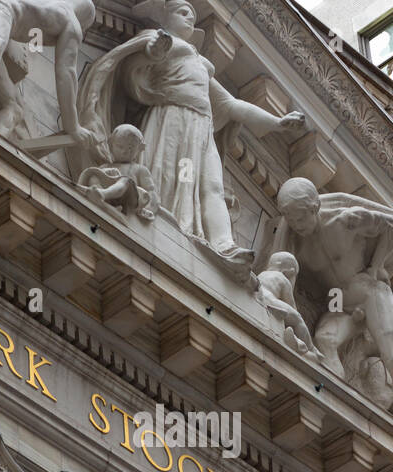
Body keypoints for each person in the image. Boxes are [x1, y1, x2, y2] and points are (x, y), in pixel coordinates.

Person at [77, 0, 304, 274]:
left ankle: (223, 244)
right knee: (165, 173)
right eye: (183, 12)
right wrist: (151, 51)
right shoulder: (160, 41)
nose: (189, 20)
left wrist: (277, 122)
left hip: (202, 127)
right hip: (172, 116)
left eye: (193, 16)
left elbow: (231, 105)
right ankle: (156, 215)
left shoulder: (202, 63)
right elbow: (132, 69)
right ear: (165, 17)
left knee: (213, 187)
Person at [273, 177, 393, 429]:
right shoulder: (293, 237)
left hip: (370, 292)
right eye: (291, 219)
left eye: (300, 218)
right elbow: (276, 264)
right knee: (326, 341)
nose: (296, 225)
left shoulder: (344, 219)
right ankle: (337, 403)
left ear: (314, 208)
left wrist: (375, 268)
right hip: (337, 301)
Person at [0, 0, 99, 149]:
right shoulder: (71, 22)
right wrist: (73, 126)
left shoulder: (46, 4)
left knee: (14, 107)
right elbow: (66, 74)